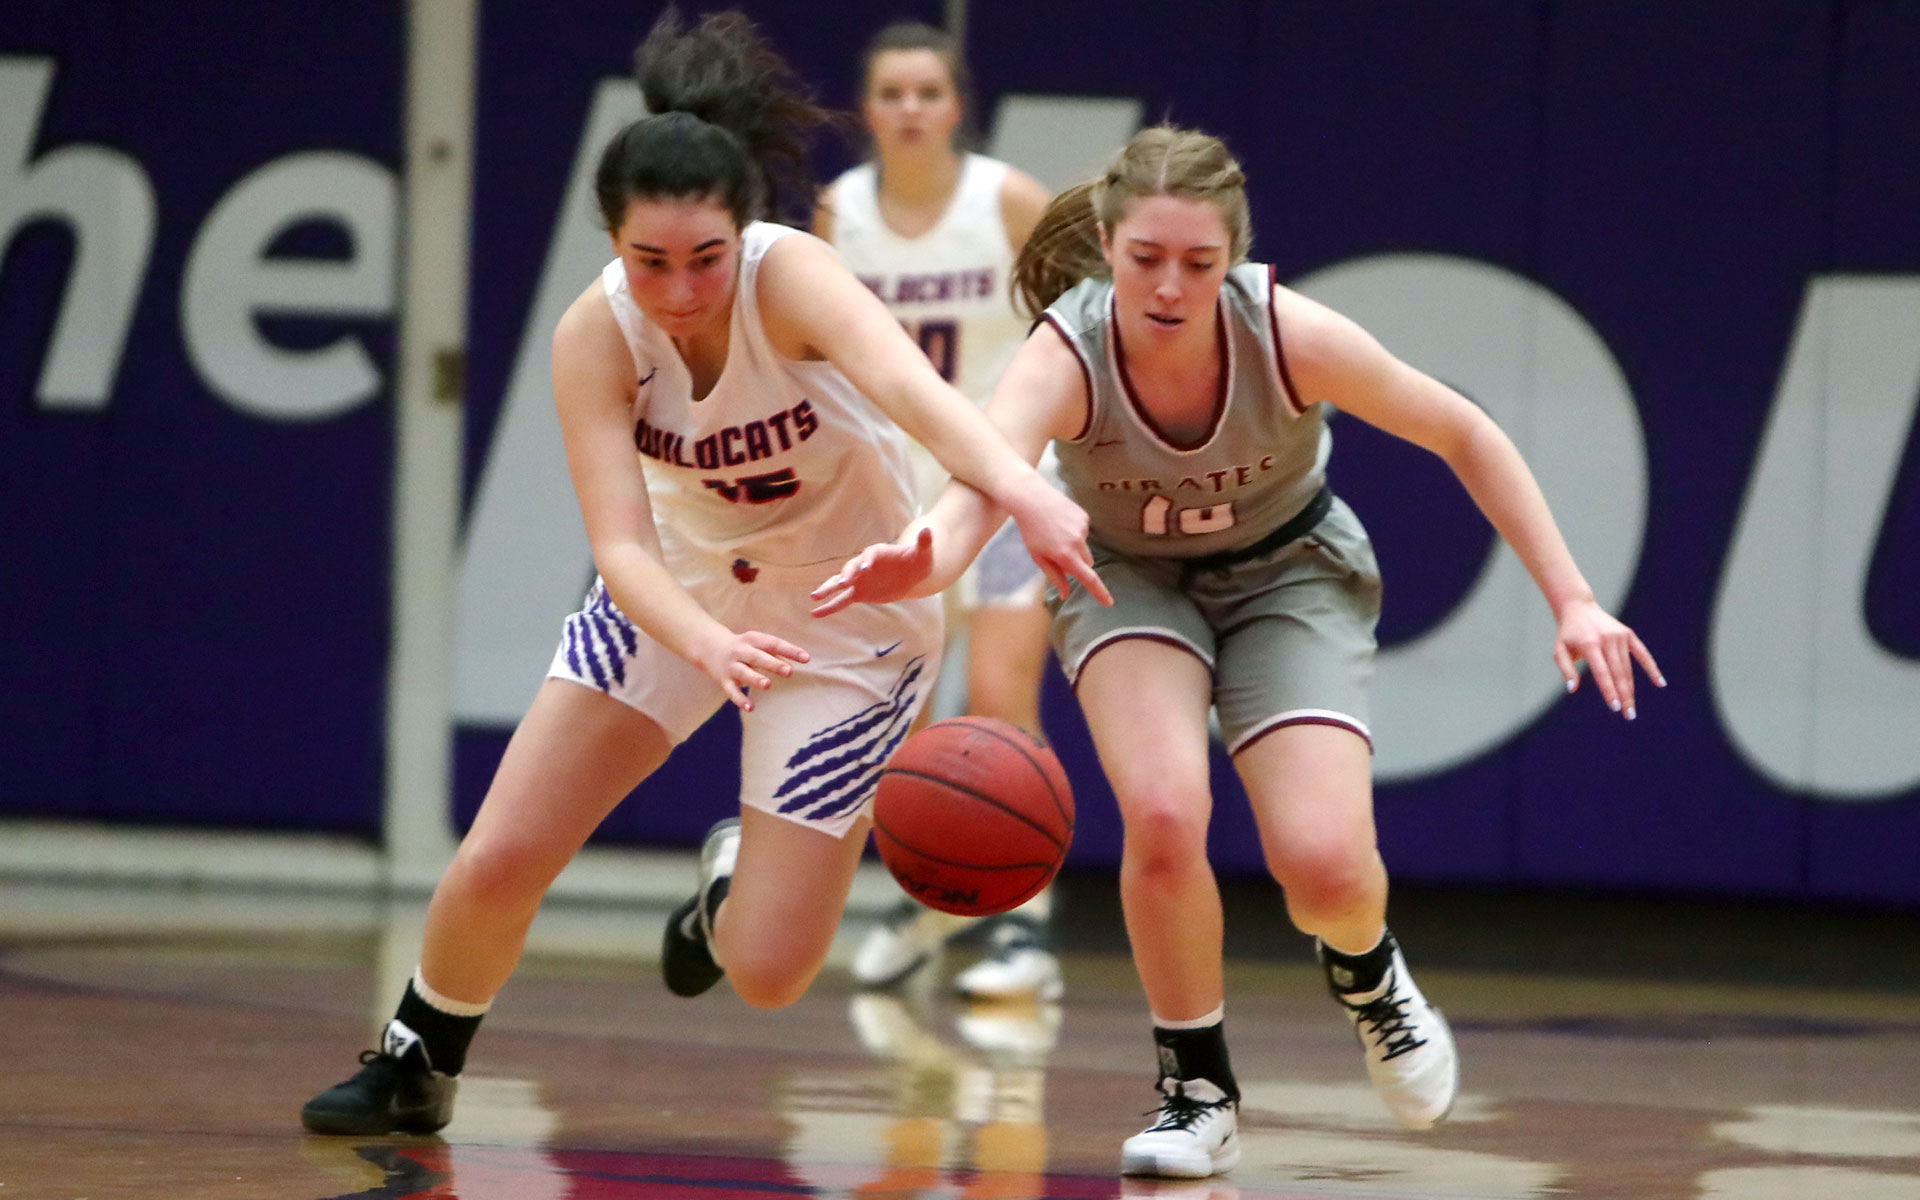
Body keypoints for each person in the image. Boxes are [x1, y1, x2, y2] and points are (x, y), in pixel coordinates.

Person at [298, 7, 1101, 1138]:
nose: (680, 289)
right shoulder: (595, 334)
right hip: (678, 593)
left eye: (706, 258)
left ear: (745, 232)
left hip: (849, 618)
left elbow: (926, 402)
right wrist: (709, 642)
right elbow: (620, 546)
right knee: (503, 849)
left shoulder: (797, 278)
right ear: (614, 243)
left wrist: (1029, 494)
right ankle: (413, 1058)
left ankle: (733, 875)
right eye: (650, 261)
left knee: (770, 971)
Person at [812, 125, 1664, 1178]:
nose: (1170, 286)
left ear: (1237, 259)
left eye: (1199, 264)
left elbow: (1465, 432)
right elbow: (981, 486)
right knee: (1166, 813)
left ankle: (1372, 976)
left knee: (1324, 868)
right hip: (1128, 578)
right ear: (1109, 247)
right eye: (1146, 259)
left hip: (1288, 573)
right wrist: (923, 562)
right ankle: (1194, 1088)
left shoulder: (1287, 332)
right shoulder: (1064, 354)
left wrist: (1573, 598)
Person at [814, 20, 1064, 1004]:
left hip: (997, 490)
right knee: (897, 722)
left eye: (928, 92)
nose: (912, 109)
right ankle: (921, 901)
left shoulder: (1005, 202)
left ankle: (1024, 934)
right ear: (867, 109)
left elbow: (1077, 326)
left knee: (1001, 702)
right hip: (890, 499)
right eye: (893, 94)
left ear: (957, 104)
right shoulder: (838, 214)